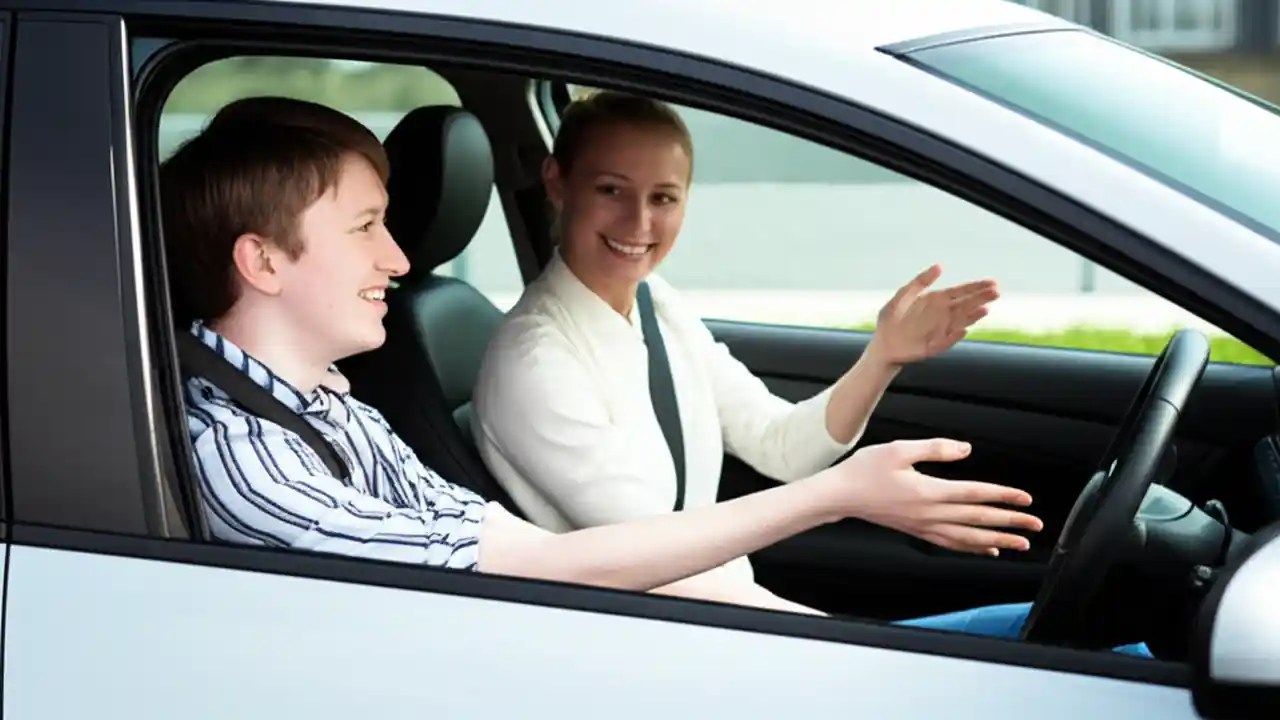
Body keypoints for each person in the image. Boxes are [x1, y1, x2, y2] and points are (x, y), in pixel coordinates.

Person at [163, 95, 1049, 620]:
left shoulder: (336, 406)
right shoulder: (242, 457)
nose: (398, 258)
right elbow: (575, 563)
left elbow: (492, 537)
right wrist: (841, 506)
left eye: (665, 197)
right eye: (366, 229)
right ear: (263, 260)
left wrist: (883, 357)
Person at [470, 91, 1148, 655]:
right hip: (672, 649)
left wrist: (882, 356)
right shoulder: (535, 362)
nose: (640, 223)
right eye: (611, 190)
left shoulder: (653, 305)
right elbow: (666, 558)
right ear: (557, 183)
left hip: (731, 625)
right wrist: (843, 648)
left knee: (1108, 637)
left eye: (665, 197)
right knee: (1094, 658)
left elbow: (780, 445)